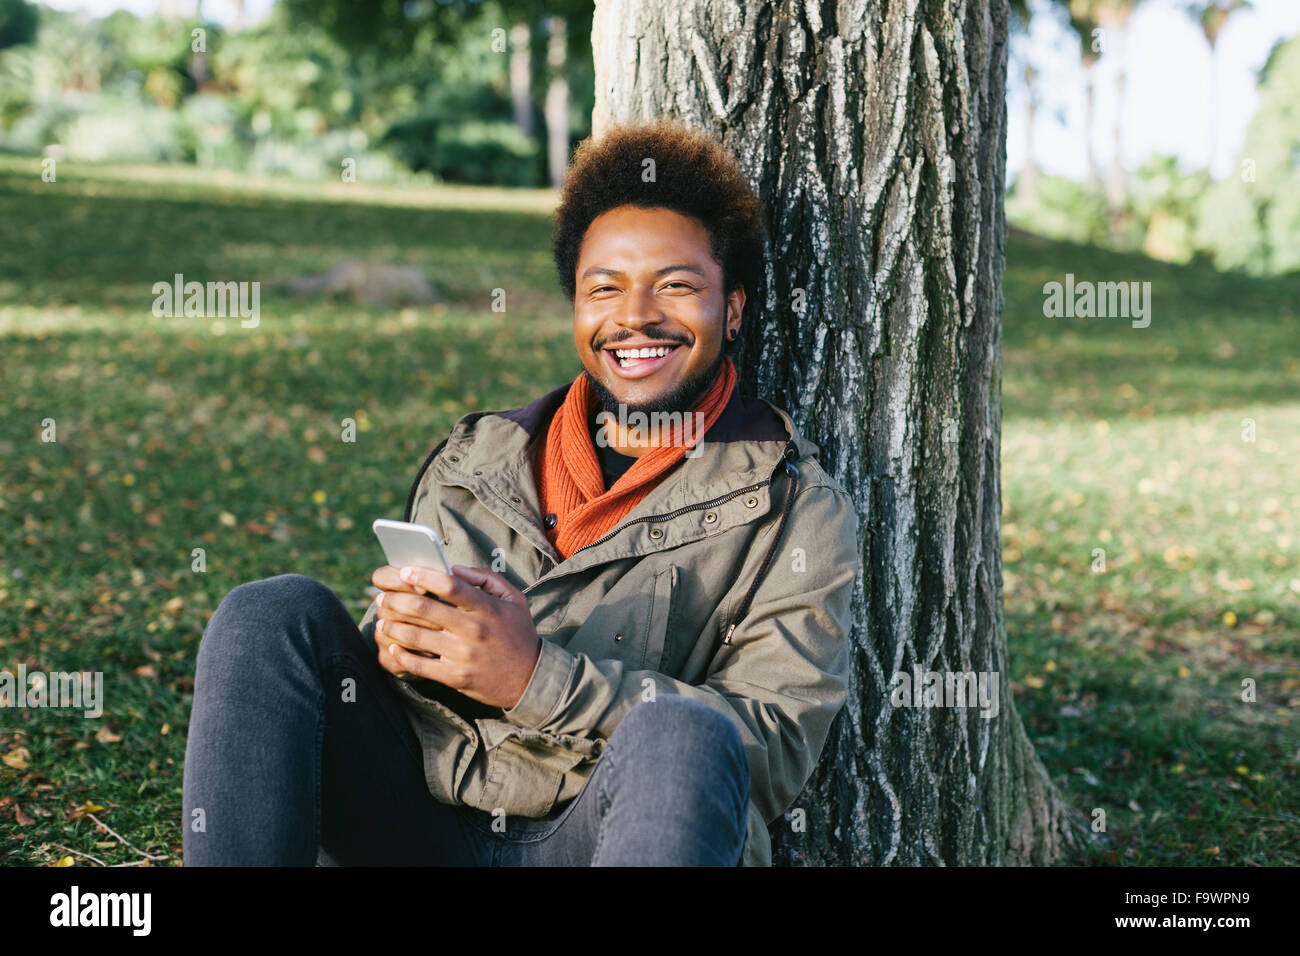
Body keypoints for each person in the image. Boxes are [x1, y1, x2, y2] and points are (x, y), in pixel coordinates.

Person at [182, 120, 860, 867]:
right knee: (268, 614)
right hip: (423, 826)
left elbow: (770, 753)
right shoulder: (474, 460)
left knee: (685, 732)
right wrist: (404, 641)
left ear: (731, 309)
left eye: (676, 285)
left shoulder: (796, 508)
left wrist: (536, 678)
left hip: (605, 837)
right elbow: (379, 693)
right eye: (603, 288)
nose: (634, 316)